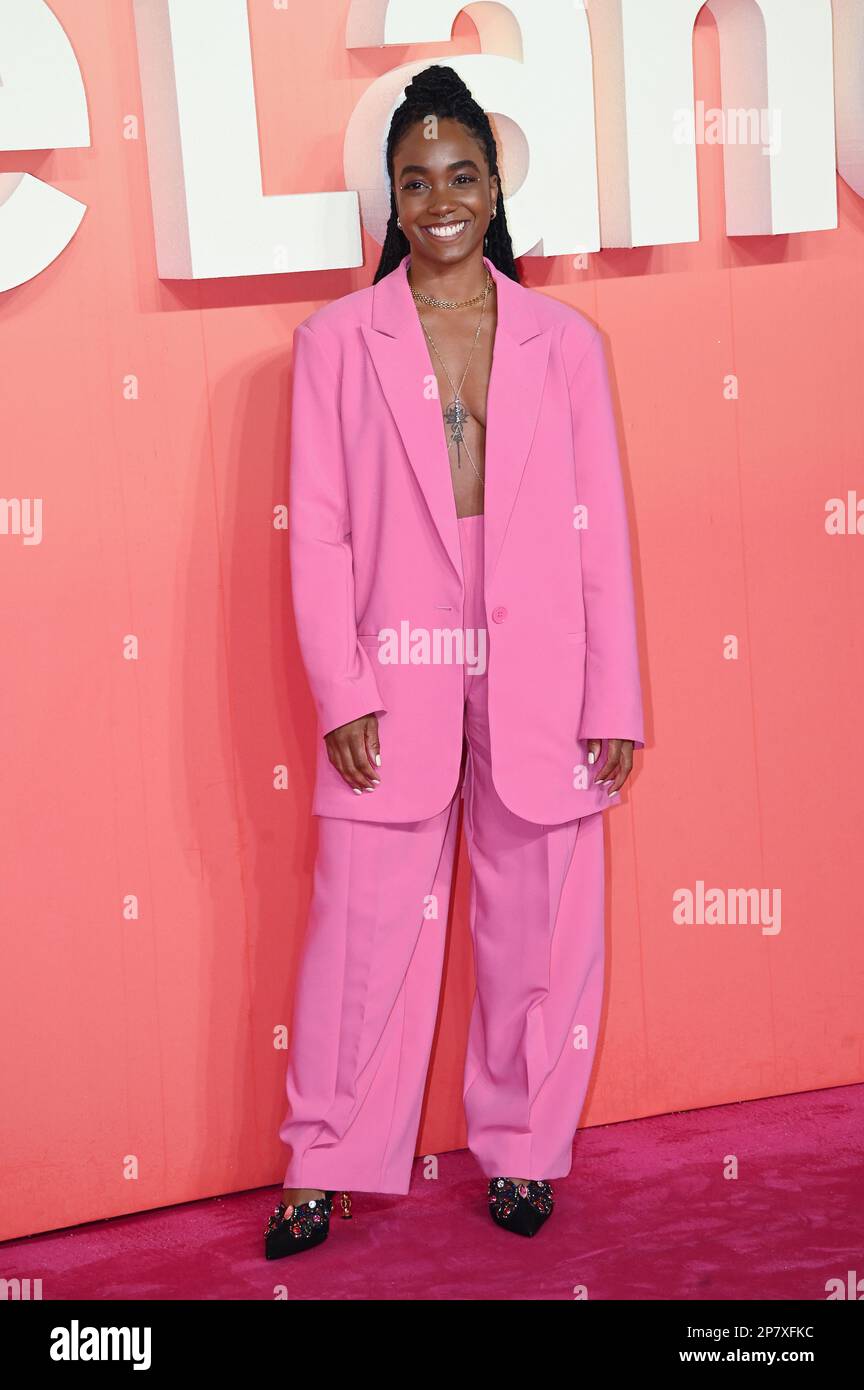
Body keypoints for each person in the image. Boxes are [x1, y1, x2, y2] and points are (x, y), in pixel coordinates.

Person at [264, 64, 645, 1260]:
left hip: (542, 656)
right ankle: (321, 1158)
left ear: (494, 188)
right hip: (397, 658)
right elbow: (318, 528)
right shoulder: (333, 343)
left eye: (462, 175)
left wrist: (613, 690)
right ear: (389, 196)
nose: (440, 199)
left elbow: (604, 527)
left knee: (539, 922)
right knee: (358, 929)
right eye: (415, 179)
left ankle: (525, 1151)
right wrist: (343, 689)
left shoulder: (564, 343)